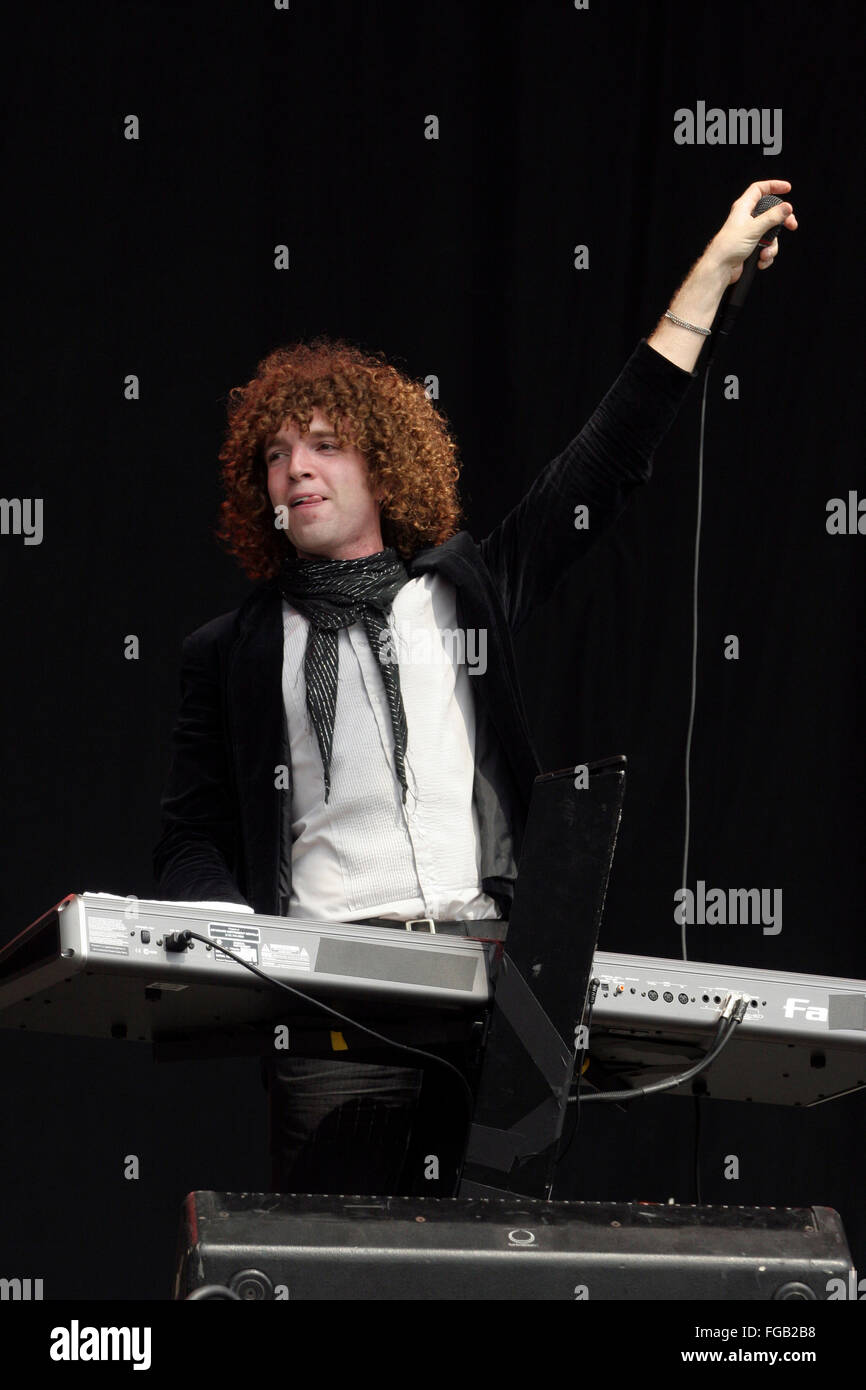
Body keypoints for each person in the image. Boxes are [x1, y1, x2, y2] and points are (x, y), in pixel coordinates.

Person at [153, 181, 797, 1196]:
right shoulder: (225, 650)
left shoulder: (464, 588)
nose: (296, 470)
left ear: (382, 463)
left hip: (490, 986)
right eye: (275, 455)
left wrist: (710, 277)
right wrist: (243, 941)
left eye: (324, 445)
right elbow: (189, 837)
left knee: (492, 1270)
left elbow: (607, 461)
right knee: (337, 1270)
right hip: (330, 998)